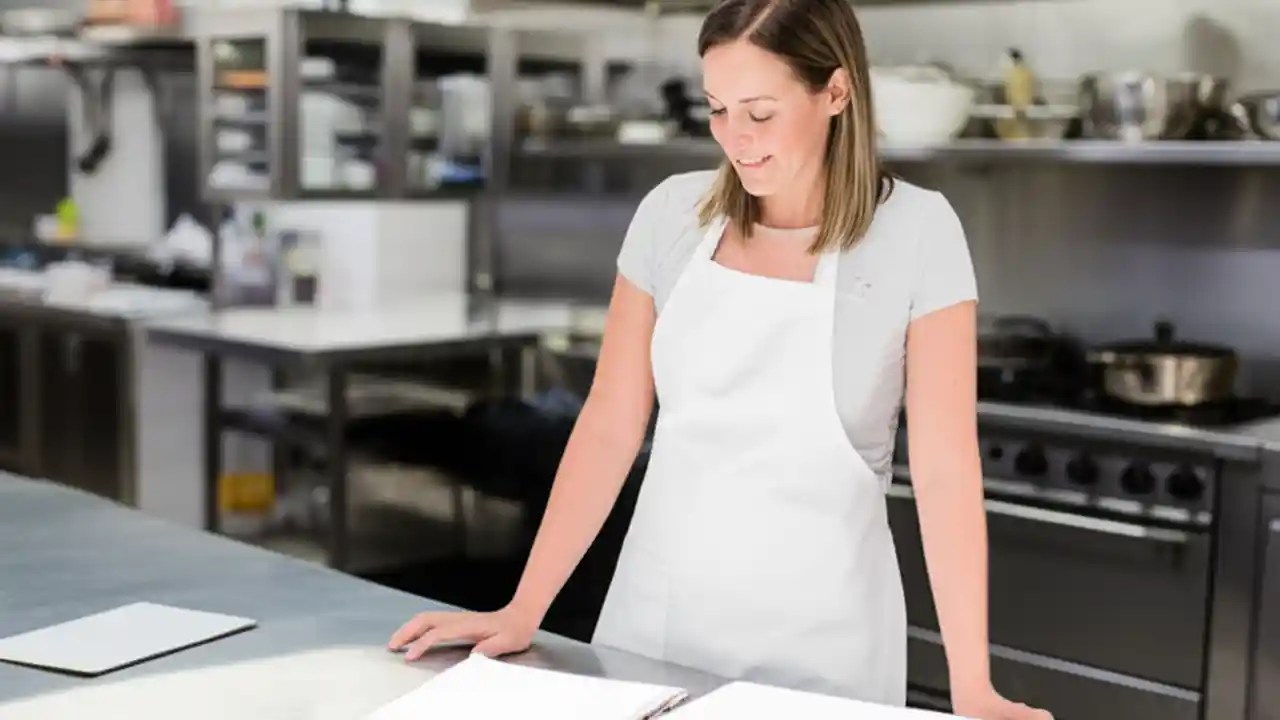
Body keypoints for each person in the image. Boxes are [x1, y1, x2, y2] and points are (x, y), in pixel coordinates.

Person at [390, 1, 1052, 718]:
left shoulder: (919, 234)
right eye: (717, 109)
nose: (736, 139)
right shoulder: (672, 216)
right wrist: (523, 610)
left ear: (835, 93)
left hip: (827, 654)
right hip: (659, 630)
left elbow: (946, 469)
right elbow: (610, 425)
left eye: (760, 113)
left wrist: (972, 686)